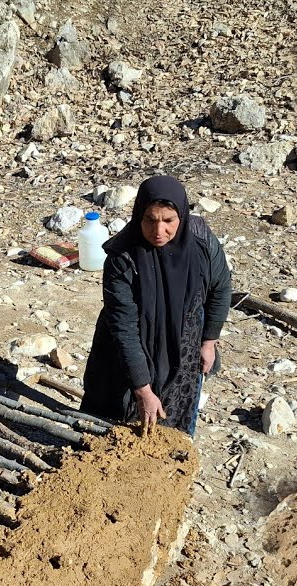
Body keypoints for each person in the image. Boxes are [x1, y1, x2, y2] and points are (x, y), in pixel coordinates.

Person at [81, 175, 232, 436]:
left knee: (175, 424)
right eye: (150, 220)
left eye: (168, 221)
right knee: (113, 428)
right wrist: (142, 389)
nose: (158, 231)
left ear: (181, 216)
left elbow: (221, 287)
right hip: (127, 354)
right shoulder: (122, 258)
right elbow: (124, 328)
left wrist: (209, 342)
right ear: (139, 215)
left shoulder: (201, 242)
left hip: (184, 351)